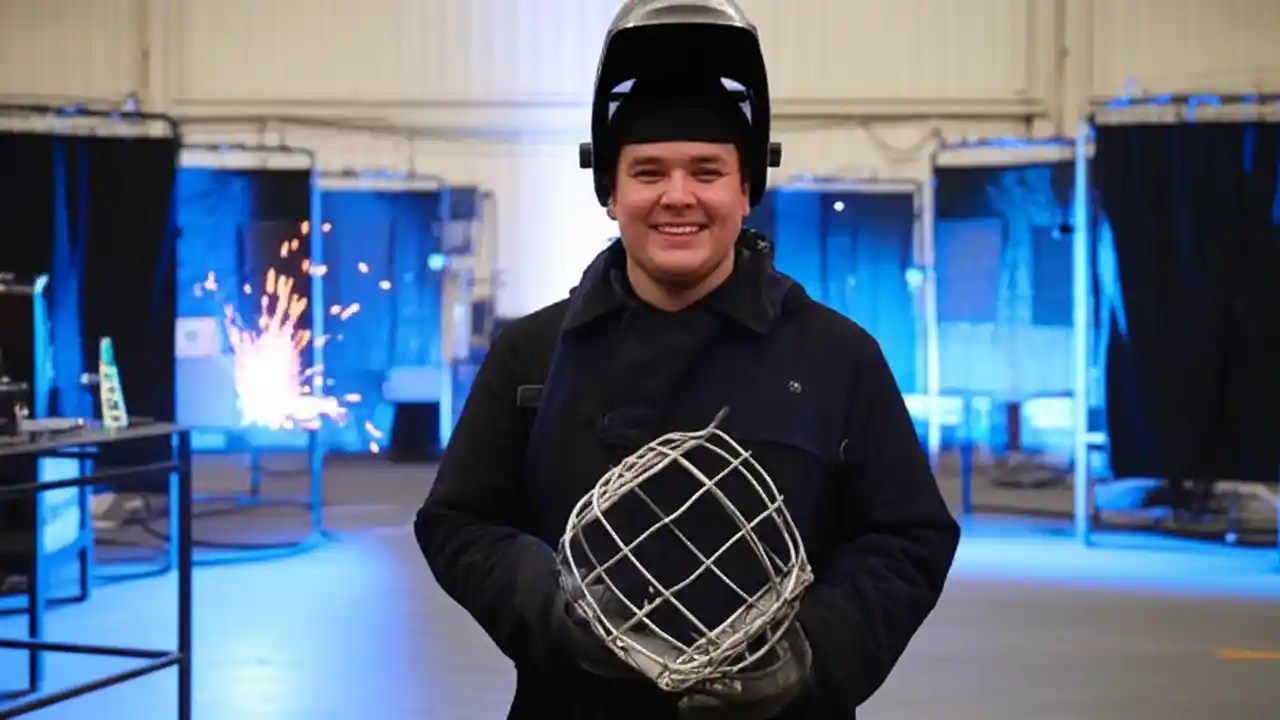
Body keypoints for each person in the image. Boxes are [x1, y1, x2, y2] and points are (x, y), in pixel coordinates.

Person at [414, 1, 960, 718]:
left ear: (745, 191)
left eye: (707, 170)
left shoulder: (837, 355)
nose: (678, 197)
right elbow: (459, 523)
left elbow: (907, 536)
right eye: (648, 172)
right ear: (611, 192)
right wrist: (554, 610)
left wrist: (810, 659)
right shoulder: (532, 354)